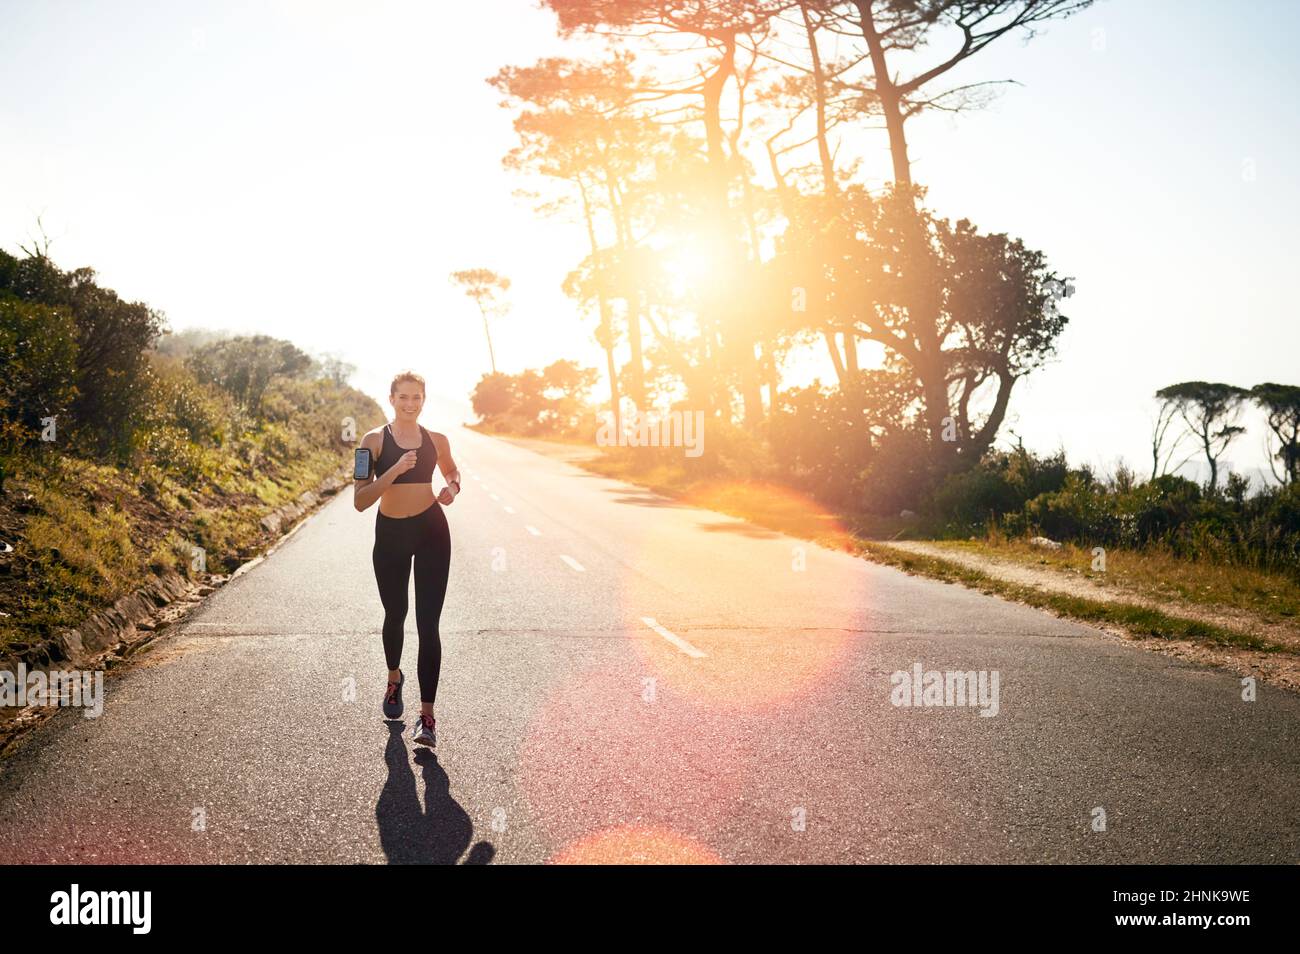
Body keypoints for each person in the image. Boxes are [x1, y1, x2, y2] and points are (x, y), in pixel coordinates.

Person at [352, 370, 460, 748]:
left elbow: (452, 470)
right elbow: (361, 500)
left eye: (417, 397)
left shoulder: (437, 439)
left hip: (432, 531)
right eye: (403, 397)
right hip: (391, 536)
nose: (410, 403)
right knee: (395, 614)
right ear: (392, 398)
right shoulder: (372, 441)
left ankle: (427, 717)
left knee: (428, 625)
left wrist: (452, 487)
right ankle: (394, 678)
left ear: (424, 400)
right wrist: (394, 471)